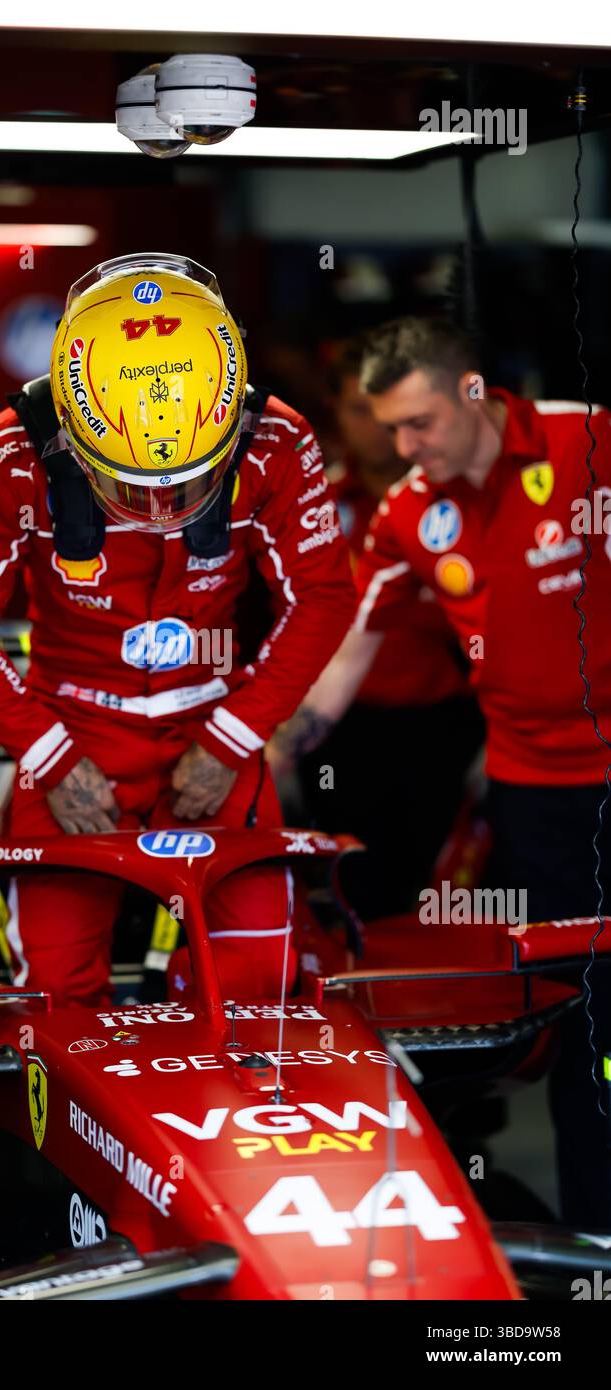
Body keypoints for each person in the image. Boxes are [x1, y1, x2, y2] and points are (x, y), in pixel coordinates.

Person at [0, 252, 356, 1006]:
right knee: (54, 993)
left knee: (257, 985)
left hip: (213, 723)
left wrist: (232, 737)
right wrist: (49, 758)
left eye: (190, 479)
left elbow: (322, 596)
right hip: (69, 730)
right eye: (131, 483)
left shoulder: (279, 442)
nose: (161, 508)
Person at [273, 315, 611, 1225]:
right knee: (584, 1028)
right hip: (535, 797)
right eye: (389, 429)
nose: (402, 446)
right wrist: (267, 749)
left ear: (473, 392)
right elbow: (346, 653)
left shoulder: (588, 440)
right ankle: (593, 1240)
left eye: (417, 422)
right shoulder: (410, 511)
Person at [291, 338, 484, 916]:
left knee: (442, 892)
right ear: (336, 412)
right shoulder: (310, 502)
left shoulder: (458, 500)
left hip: (443, 726)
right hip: (338, 731)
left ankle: (437, 1004)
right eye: (358, 409)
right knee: (349, 888)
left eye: (386, 411)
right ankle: (355, 996)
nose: (376, 427)